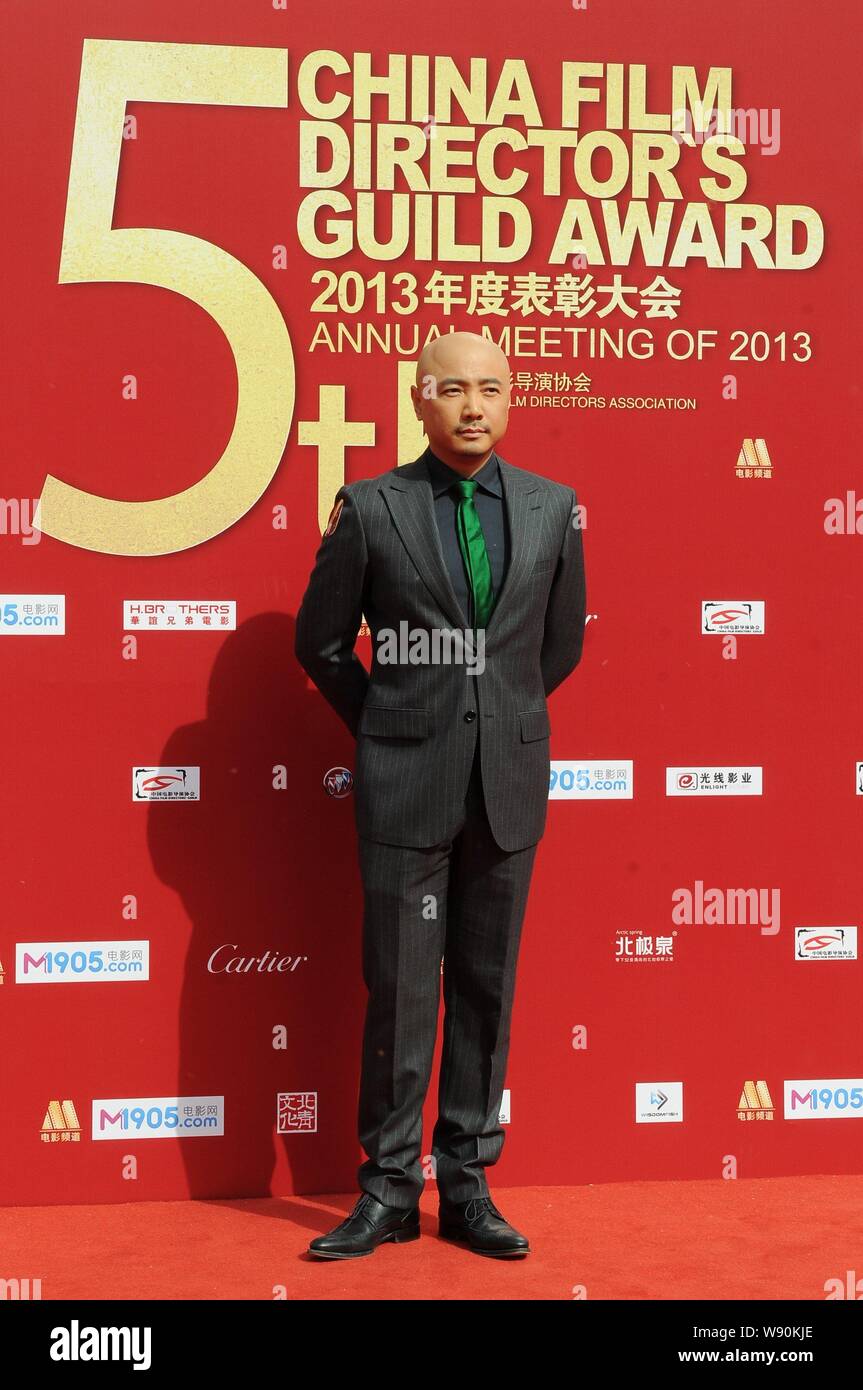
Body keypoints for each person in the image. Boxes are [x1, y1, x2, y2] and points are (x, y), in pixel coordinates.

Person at [295, 331, 587, 1258]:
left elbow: (558, 646)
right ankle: (384, 1190)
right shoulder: (372, 507)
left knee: (486, 989)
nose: (473, 406)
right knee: (399, 993)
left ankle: (467, 1187)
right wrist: (395, 721)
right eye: (452, 390)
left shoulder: (552, 509)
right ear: (418, 401)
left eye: (491, 389)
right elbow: (323, 643)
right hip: (404, 785)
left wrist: (493, 716)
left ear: (511, 400)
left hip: (506, 779)